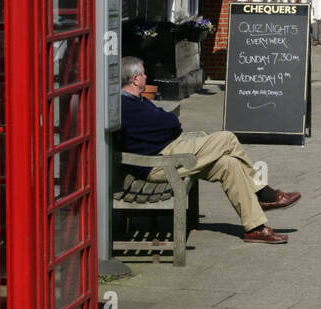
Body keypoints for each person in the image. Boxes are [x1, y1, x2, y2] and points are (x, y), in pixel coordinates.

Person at [118, 56, 299, 244]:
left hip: (170, 151)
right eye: (144, 73)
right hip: (159, 163)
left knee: (229, 164)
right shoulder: (128, 106)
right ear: (135, 79)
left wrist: (165, 124)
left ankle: (255, 228)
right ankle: (264, 193)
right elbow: (170, 122)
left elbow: (166, 124)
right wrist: (166, 124)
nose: (147, 76)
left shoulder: (135, 101)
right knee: (227, 139)